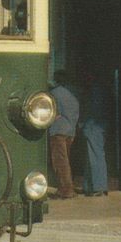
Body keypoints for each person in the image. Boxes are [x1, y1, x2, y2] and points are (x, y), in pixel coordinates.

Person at [49, 70, 80, 199]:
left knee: (60, 162)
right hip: (70, 131)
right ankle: (66, 187)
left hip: (58, 130)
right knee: (66, 159)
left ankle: (66, 190)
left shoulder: (54, 93)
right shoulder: (73, 93)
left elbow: (51, 112)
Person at [81, 75, 110, 196]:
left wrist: (83, 124)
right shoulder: (101, 91)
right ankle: (89, 186)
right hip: (99, 126)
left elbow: (92, 111)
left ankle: (98, 186)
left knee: (94, 156)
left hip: (93, 126)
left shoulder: (94, 92)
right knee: (93, 156)